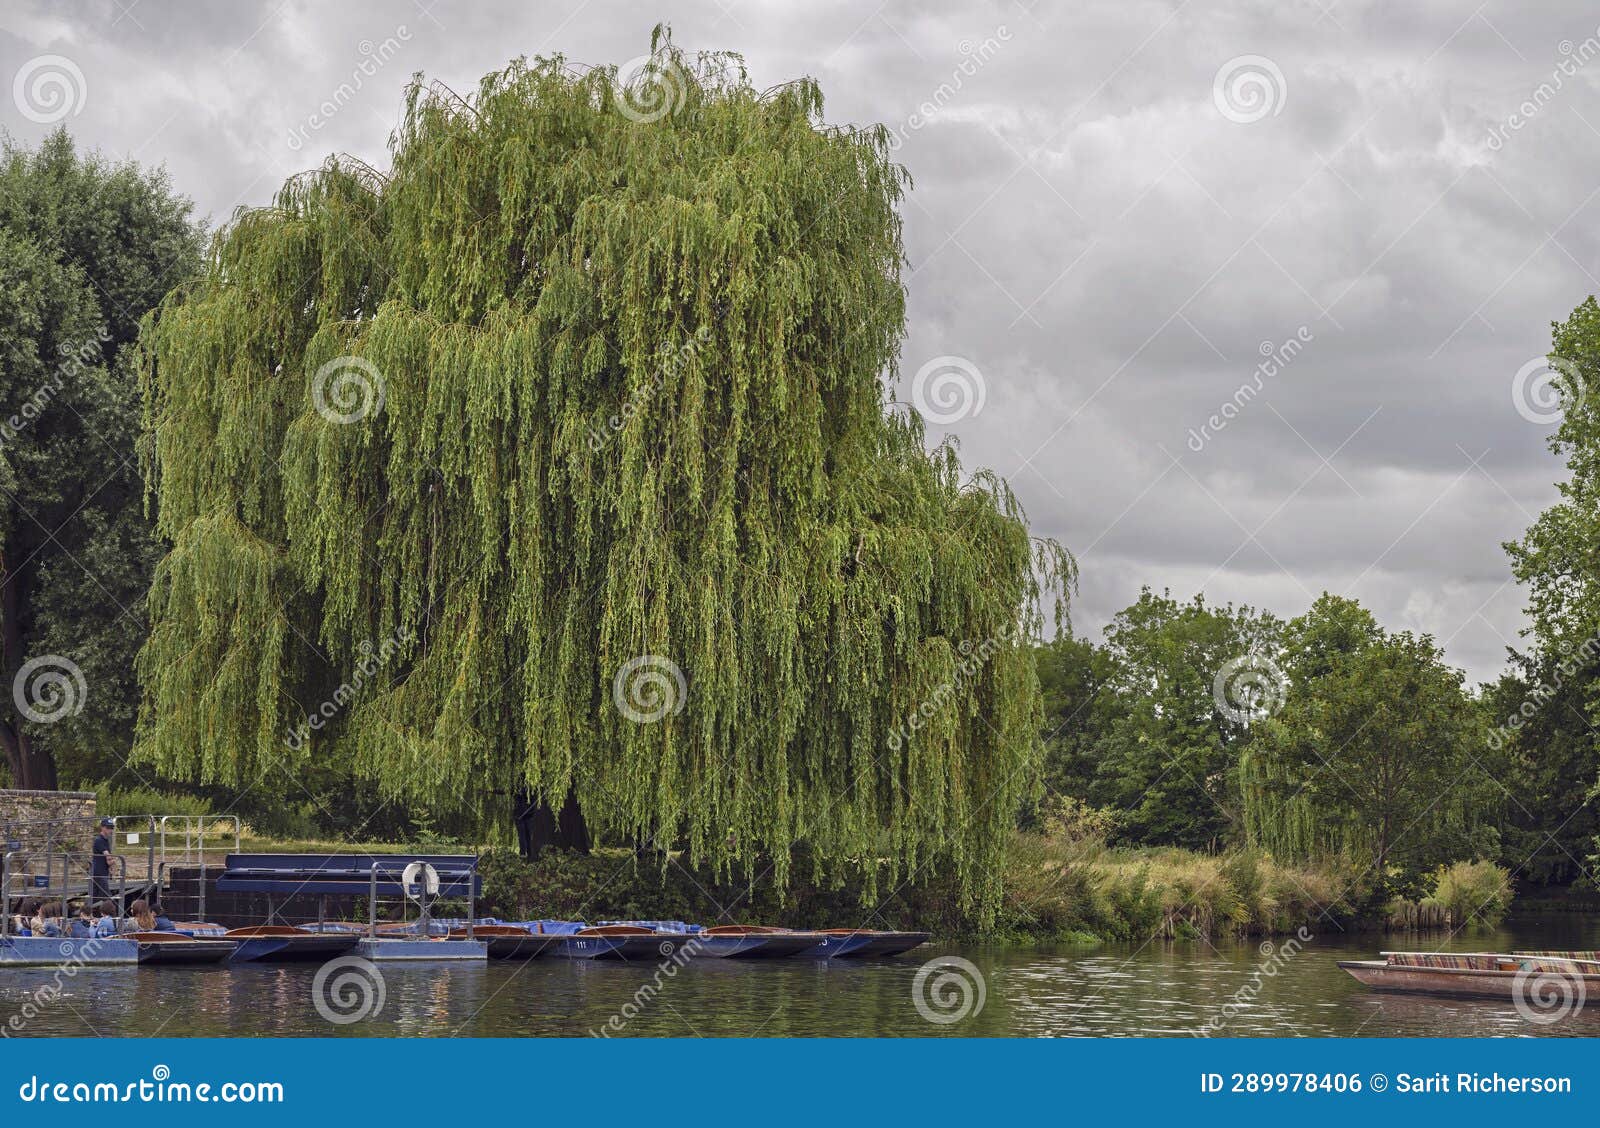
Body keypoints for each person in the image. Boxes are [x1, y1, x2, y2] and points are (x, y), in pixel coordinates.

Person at [89, 818, 117, 903]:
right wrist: (114, 862)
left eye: (111, 828)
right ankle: (112, 914)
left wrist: (111, 866)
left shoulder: (105, 840)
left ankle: (90, 912)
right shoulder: (99, 840)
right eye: (108, 828)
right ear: (102, 828)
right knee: (106, 896)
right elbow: (108, 857)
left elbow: (108, 857)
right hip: (99, 873)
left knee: (96, 896)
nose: (110, 830)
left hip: (101, 872)